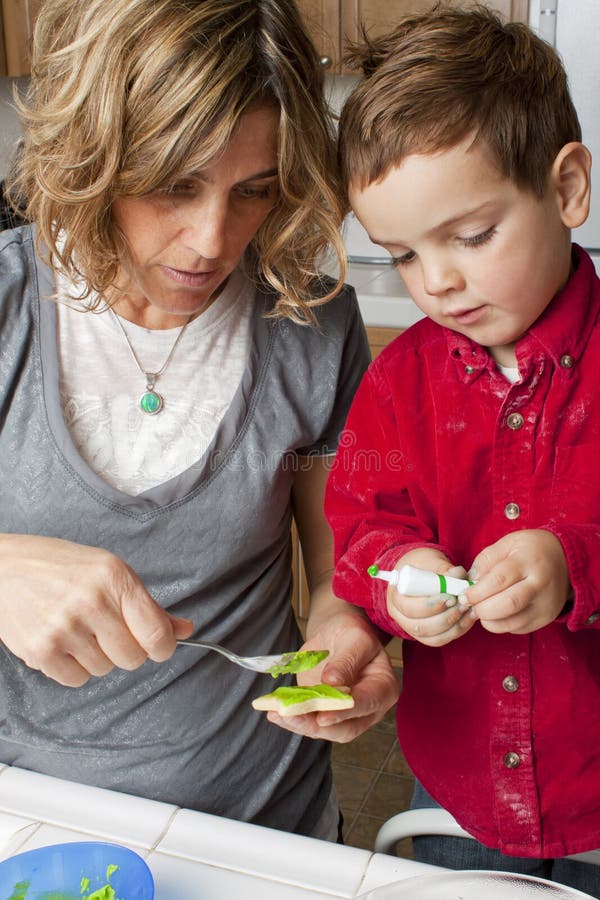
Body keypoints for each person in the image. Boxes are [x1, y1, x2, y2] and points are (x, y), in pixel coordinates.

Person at [0, 0, 399, 841]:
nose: (213, 241)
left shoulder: (315, 326)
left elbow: (339, 566)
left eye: (254, 191)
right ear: (95, 154)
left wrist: (345, 629)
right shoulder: (10, 308)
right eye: (176, 185)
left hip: (264, 829)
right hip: (34, 821)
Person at [324, 3, 600, 892]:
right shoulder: (399, 382)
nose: (436, 281)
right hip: (459, 790)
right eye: (403, 254)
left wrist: (574, 564)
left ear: (566, 190)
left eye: (470, 237)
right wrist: (396, 573)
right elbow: (361, 528)